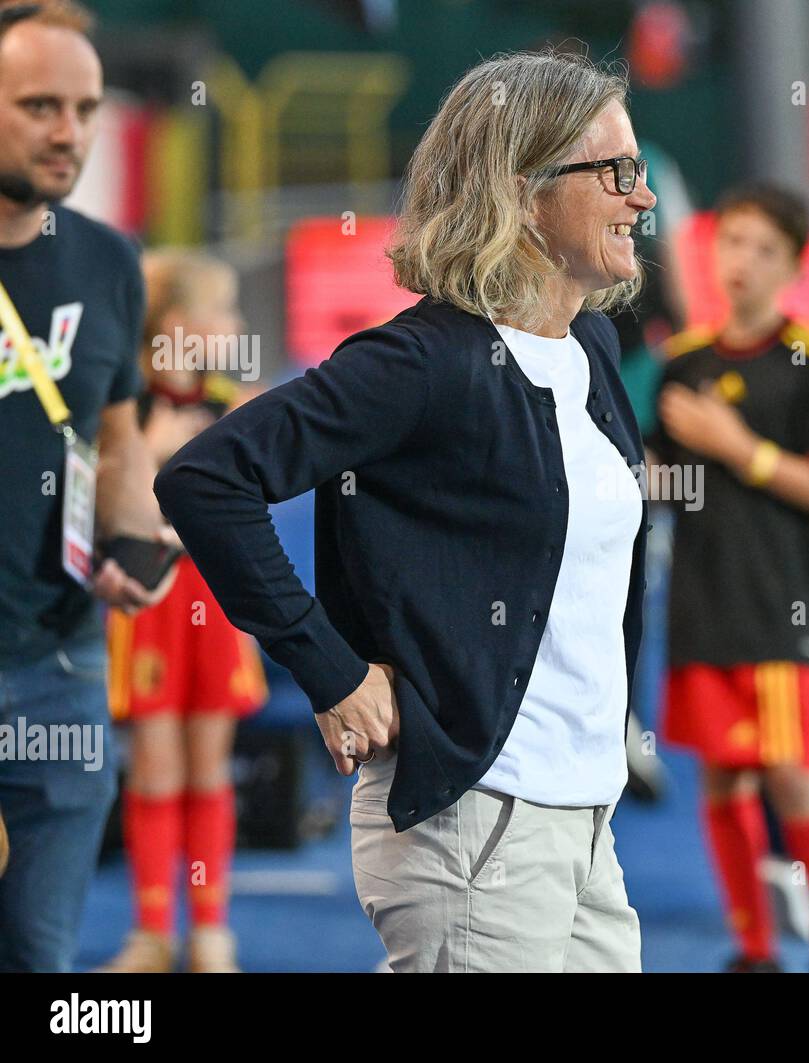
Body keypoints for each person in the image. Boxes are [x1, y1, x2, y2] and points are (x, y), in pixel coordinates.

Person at [155, 50, 655, 973]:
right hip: (477, 833)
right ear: (523, 190)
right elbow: (206, 479)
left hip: (585, 825)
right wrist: (332, 669)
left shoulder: (591, 341)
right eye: (616, 171)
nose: (644, 197)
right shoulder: (423, 362)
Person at [0, 0, 175, 973]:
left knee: (43, 959)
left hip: (59, 675)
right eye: (37, 106)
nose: (68, 132)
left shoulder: (108, 263)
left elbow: (115, 443)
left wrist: (137, 541)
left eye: (85, 107)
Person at [647, 183, 809, 972]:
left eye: (764, 248)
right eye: (732, 240)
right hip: (702, 605)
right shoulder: (684, 361)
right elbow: (657, 480)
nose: (743, 260)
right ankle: (755, 950)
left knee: (796, 776)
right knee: (723, 780)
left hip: (781, 609)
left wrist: (740, 448)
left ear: (795, 265)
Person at [100, 250, 267, 973]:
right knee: (154, 769)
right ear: (175, 326)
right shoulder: (124, 405)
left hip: (217, 598)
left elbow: (263, 494)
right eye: (222, 312)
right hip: (149, 599)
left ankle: (209, 928)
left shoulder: (234, 401)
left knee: (209, 765)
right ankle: (150, 930)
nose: (234, 326)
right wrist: (145, 449)